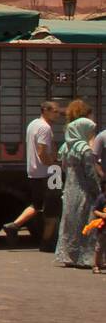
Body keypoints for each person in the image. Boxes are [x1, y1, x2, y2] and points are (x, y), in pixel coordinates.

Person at [4, 100, 61, 246]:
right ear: (45, 110)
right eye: (55, 111)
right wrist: (54, 165)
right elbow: (42, 151)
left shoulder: (33, 124)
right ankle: (48, 242)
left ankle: (14, 225)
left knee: (37, 205)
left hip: (34, 171)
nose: (58, 114)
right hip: (46, 173)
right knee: (52, 209)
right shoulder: (44, 128)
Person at [54, 115, 99, 269]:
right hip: (84, 190)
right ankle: (85, 258)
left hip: (69, 189)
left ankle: (68, 256)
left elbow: (64, 167)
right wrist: (98, 191)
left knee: (70, 222)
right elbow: (90, 173)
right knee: (86, 223)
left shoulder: (66, 147)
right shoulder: (84, 149)